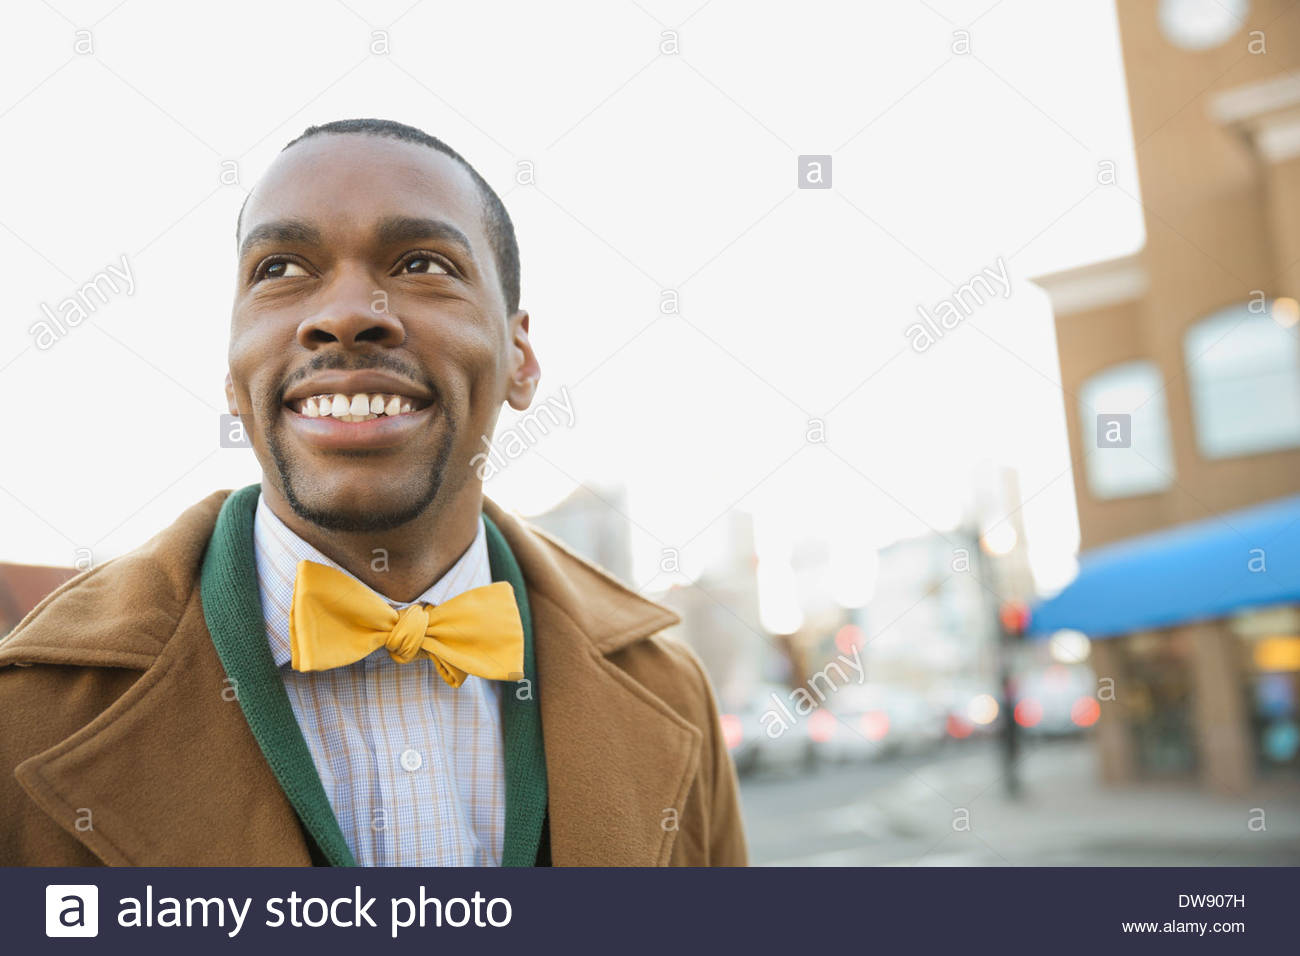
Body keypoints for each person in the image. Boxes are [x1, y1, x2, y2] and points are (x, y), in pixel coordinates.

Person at [0, 118, 747, 867]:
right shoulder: (20, 713)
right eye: (280, 269)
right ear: (231, 372)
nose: (347, 315)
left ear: (520, 357)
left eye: (422, 263)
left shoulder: (670, 691)